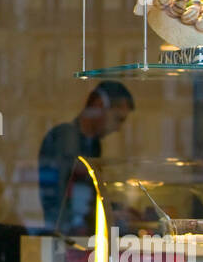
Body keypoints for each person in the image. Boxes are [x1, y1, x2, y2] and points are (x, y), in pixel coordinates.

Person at [37, 81, 134, 235]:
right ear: (99, 105)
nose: (118, 128)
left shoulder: (93, 145)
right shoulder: (66, 138)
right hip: (67, 236)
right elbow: (62, 199)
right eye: (117, 118)